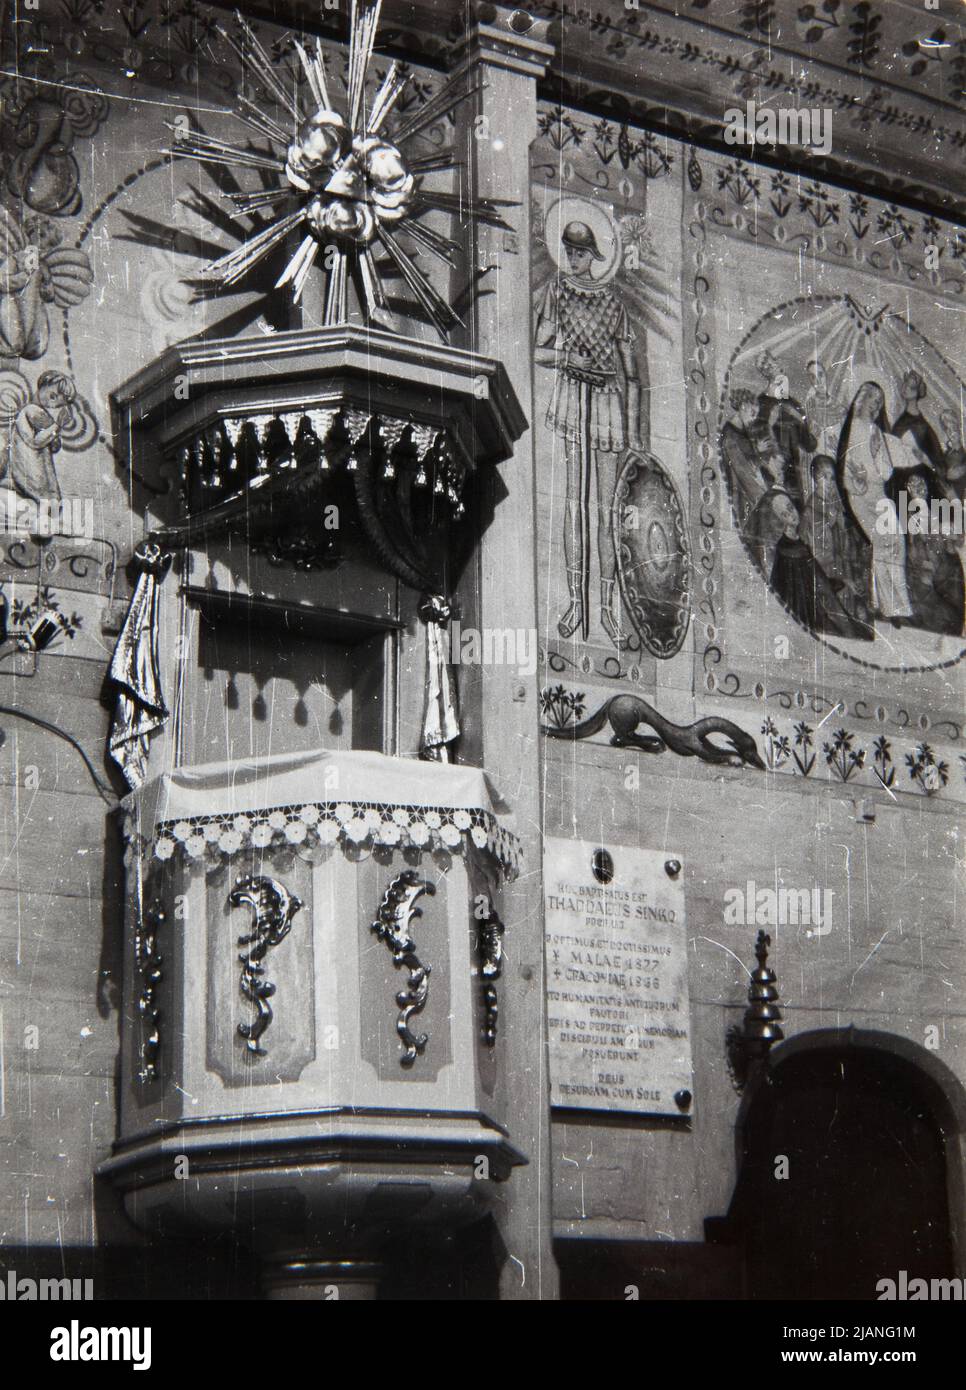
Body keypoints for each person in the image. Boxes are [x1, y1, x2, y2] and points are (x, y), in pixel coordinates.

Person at [535, 219, 642, 647]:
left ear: (594, 255)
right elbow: (539, 349)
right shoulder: (556, 292)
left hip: (606, 403)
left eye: (580, 253)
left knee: (607, 509)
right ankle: (576, 602)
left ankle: (605, 606)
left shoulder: (615, 305)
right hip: (571, 394)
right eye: (569, 251)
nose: (573, 259)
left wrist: (633, 435)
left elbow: (631, 373)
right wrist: (566, 359)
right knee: (573, 504)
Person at [835, 380, 921, 625]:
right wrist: (859, 480)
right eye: (873, 401)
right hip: (859, 496)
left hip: (878, 495)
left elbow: (886, 473)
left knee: (897, 540)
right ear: (861, 400)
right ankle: (887, 607)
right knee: (884, 542)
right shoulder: (849, 429)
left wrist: (875, 453)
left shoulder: (875, 432)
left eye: (879, 404)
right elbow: (844, 468)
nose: (875, 407)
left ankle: (898, 606)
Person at [769, 491, 870, 638]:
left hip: (819, 608)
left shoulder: (799, 542)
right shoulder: (787, 550)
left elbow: (818, 579)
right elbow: (811, 587)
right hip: (811, 616)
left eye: (791, 508)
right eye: (784, 514)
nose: (791, 515)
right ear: (780, 519)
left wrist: (844, 581)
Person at [901, 470, 965, 636]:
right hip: (927, 578)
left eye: (921, 484)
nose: (919, 488)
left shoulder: (933, 514)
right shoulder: (913, 517)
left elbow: (954, 539)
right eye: (914, 485)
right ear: (908, 490)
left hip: (944, 574)